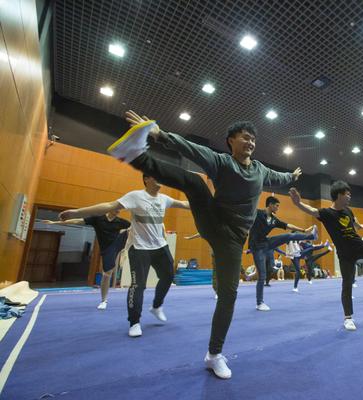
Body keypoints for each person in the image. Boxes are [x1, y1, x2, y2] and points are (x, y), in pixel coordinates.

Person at [108, 111, 301, 379]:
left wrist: (292, 175)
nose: (251, 143)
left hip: (233, 239)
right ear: (231, 141)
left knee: (229, 295)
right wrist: (161, 135)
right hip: (213, 221)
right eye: (245, 138)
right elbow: (194, 150)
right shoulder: (221, 162)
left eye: (254, 139)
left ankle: (213, 355)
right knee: (194, 182)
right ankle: (136, 156)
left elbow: (279, 178)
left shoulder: (260, 170)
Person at [59, 175, 189, 337]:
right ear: (147, 179)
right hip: (139, 248)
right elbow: (108, 205)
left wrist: (209, 205)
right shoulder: (135, 196)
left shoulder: (165, 199)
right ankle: (134, 322)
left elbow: (184, 204)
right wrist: (77, 213)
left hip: (160, 247)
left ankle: (156, 306)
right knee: (138, 285)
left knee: (168, 276)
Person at [289, 181, 363, 331]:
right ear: (338, 195)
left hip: (358, 245)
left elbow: (354, 223)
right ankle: (348, 318)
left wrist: (359, 226)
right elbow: (311, 210)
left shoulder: (348, 211)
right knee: (347, 284)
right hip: (345, 254)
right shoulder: (327, 213)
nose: (350, 196)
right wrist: (298, 203)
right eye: (347, 194)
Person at [43, 210, 131, 309]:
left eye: (118, 210)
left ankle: (127, 249)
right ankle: (104, 300)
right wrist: (56, 223)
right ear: (109, 209)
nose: (117, 212)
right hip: (107, 248)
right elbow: (77, 221)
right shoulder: (97, 219)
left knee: (131, 229)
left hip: (118, 242)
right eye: (116, 209)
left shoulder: (120, 221)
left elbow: (136, 226)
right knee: (107, 274)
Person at [248, 195, 317, 310]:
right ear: (270, 205)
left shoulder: (274, 220)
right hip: (257, 247)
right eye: (277, 206)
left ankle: (311, 236)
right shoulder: (257, 213)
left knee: (288, 236)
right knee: (262, 276)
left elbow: (287, 225)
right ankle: (259, 303)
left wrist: (304, 230)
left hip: (266, 242)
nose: (278, 208)